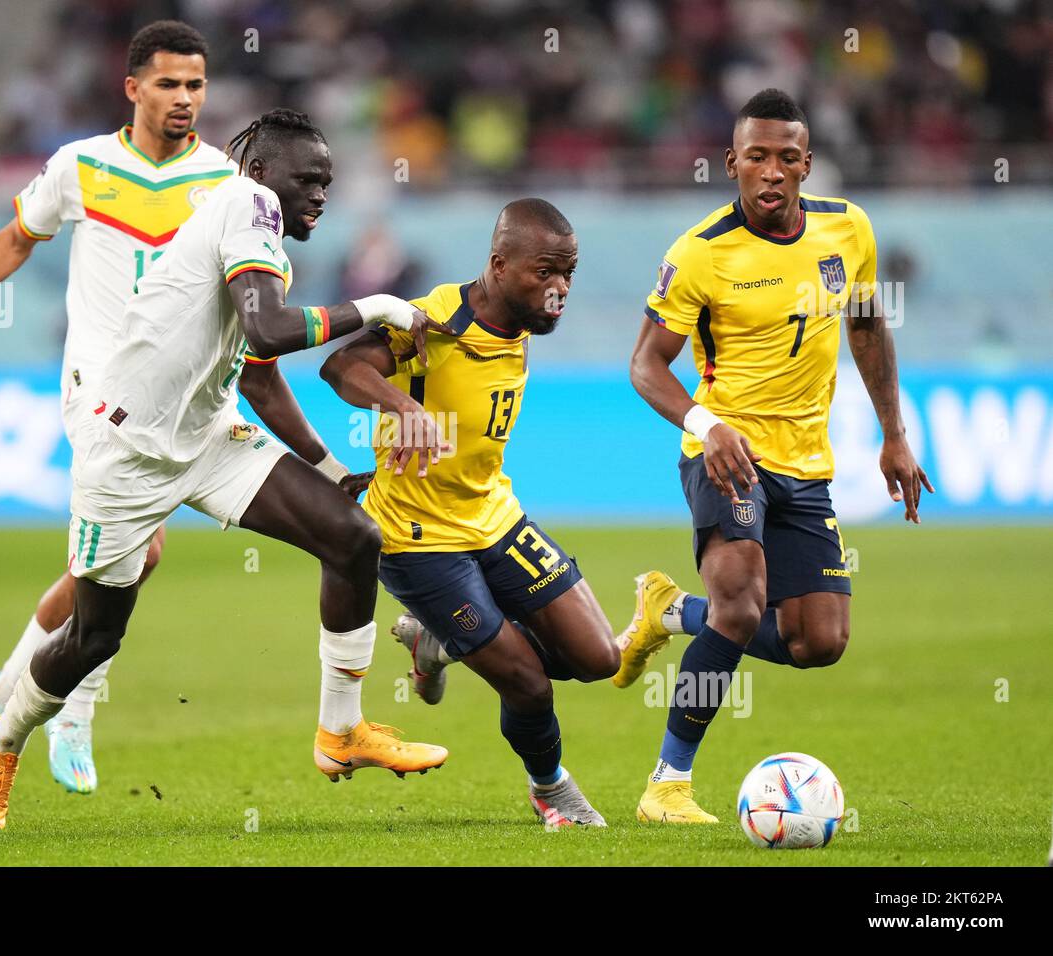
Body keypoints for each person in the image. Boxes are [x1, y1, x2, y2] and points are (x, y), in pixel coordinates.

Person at [0, 108, 456, 830]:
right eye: (308, 178)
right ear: (260, 173)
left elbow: (257, 374)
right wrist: (382, 305)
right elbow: (270, 330)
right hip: (127, 455)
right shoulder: (247, 204)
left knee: (352, 538)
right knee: (94, 638)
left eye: (328, 181)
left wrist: (325, 464)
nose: (321, 194)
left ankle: (340, 732)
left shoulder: (257, 236)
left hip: (209, 437)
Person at [0, 21, 245, 794]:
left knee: (110, 562)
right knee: (138, 555)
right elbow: (19, 238)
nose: (185, 98)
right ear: (133, 88)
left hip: (173, 401)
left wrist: (227, 395)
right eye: (168, 83)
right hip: (96, 392)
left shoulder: (224, 181)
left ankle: (10, 683)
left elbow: (233, 299)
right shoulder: (81, 165)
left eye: (195, 85)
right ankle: (76, 710)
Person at [618, 89, 933, 824]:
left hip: (806, 463)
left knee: (818, 643)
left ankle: (670, 612)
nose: (770, 172)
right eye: (755, 157)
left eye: (786, 158)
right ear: (731, 163)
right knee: (741, 600)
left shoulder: (847, 229)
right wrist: (706, 422)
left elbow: (865, 324)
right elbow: (644, 365)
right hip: (724, 453)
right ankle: (667, 784)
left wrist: (894, 432)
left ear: (806, 165)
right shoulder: (699, 253)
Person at [320, 199, 620, 827]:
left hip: (494, 514)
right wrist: (401, 407)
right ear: (499, 265)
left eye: (568, 272)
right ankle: (550, 789)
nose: (559, 288)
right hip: (416, 535)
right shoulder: (434, 319)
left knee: (599, 660)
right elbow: (340, 365)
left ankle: (441, 640)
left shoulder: (523, 324)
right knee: (529, 684)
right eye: (545, 272)